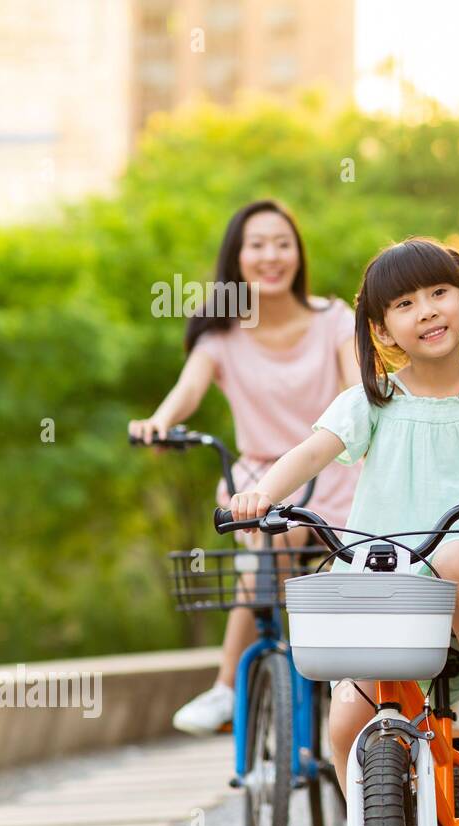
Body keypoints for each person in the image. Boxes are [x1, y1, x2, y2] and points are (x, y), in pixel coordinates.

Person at [226, 237, 459, 787]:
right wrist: (261, 495)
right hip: (389, 577)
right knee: (345, 726)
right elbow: (313, 451)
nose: (427, 309)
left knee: (458, 554)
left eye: (439, 293)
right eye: (404, 304)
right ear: (383, 330)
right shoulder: (374, 398)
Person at [128, 199, 361, 734]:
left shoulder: (334, 321)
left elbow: (357, 390)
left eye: (283, 243)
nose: (271, 255)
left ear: (299, 254)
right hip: (260, 479)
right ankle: (228, 686)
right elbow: (185, 391)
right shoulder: (220, 338)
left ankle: (376, 700)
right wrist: (158, 423)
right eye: (257, 245)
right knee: (270, 545)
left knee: (366, 567)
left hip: (339, 469)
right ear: (237, 257)